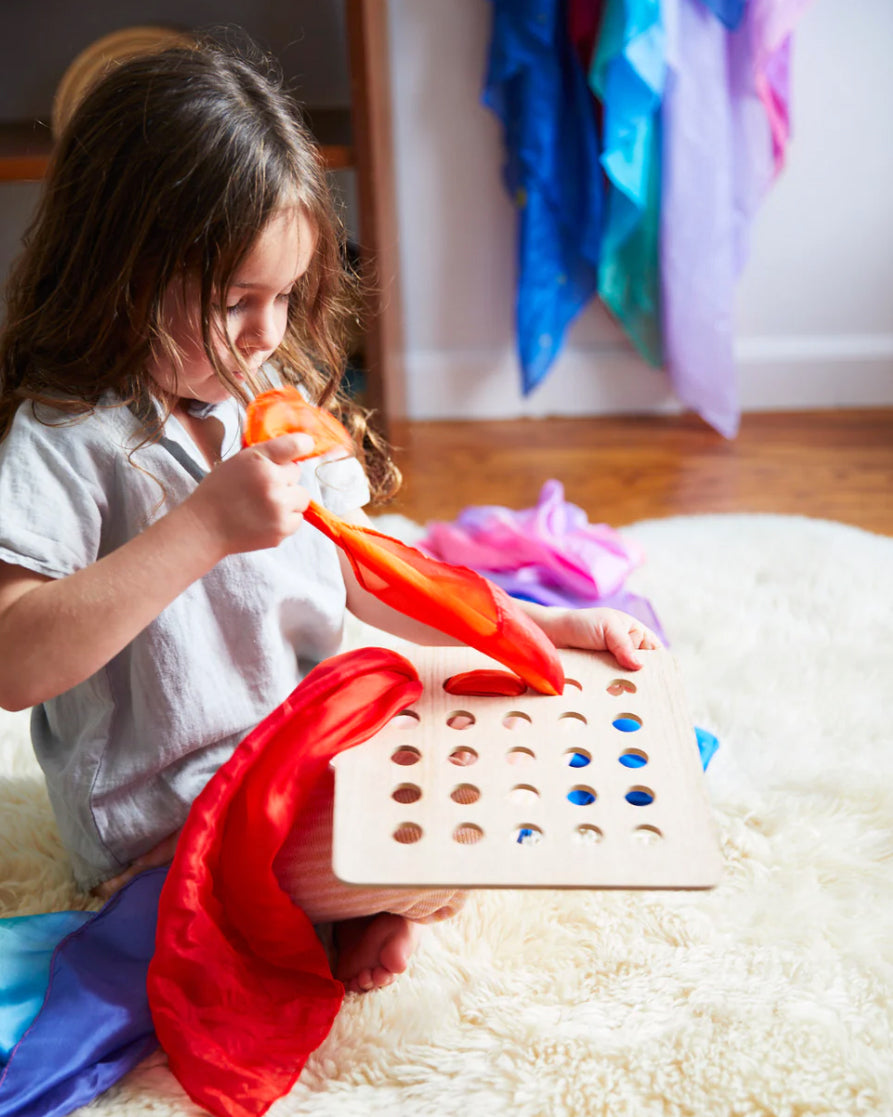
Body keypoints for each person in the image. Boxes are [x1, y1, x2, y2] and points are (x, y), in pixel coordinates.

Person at [0, 38, 660, 996]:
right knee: (440, 840)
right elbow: (16, 663)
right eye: (235, 302)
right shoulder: (65, 438)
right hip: (169, 816)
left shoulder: (263, 396)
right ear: (121, 269)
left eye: (284, 298)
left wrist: (531, 626)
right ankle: (313, 908)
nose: (267, 335)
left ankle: (334, 912)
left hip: (296, 747)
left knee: (476, 740)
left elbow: (369, 570)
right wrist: (198, 530)